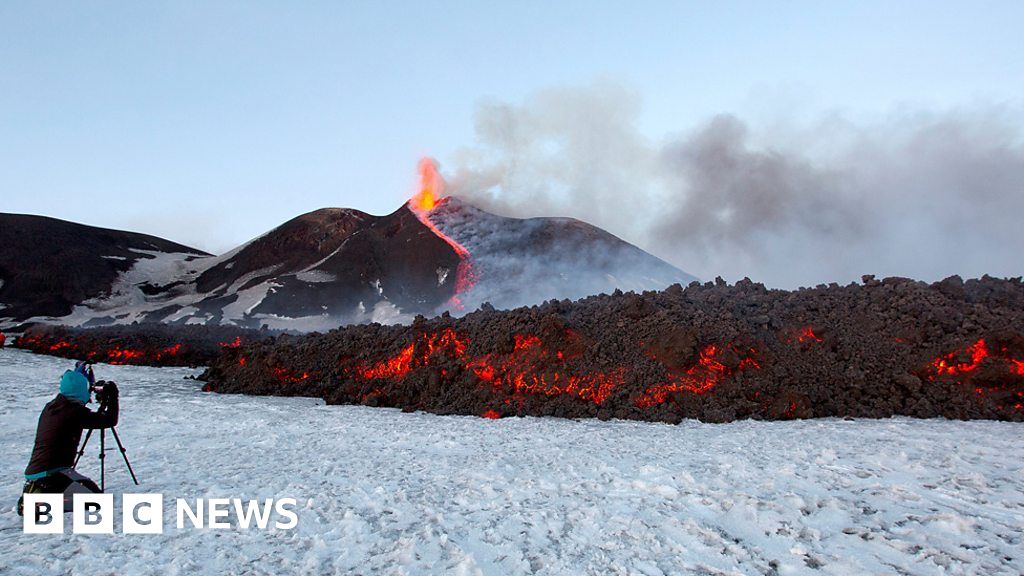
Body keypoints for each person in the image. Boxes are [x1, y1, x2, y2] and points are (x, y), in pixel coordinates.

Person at [17, 361, 119, 516]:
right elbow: (109, 421)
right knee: (96, 500)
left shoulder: (53, 406)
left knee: (82, 487)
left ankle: (37, 491)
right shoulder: (74, 412)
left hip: (38, 471)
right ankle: (41, 500)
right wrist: (113, 397)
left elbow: (92, 417)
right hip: (53, 472)